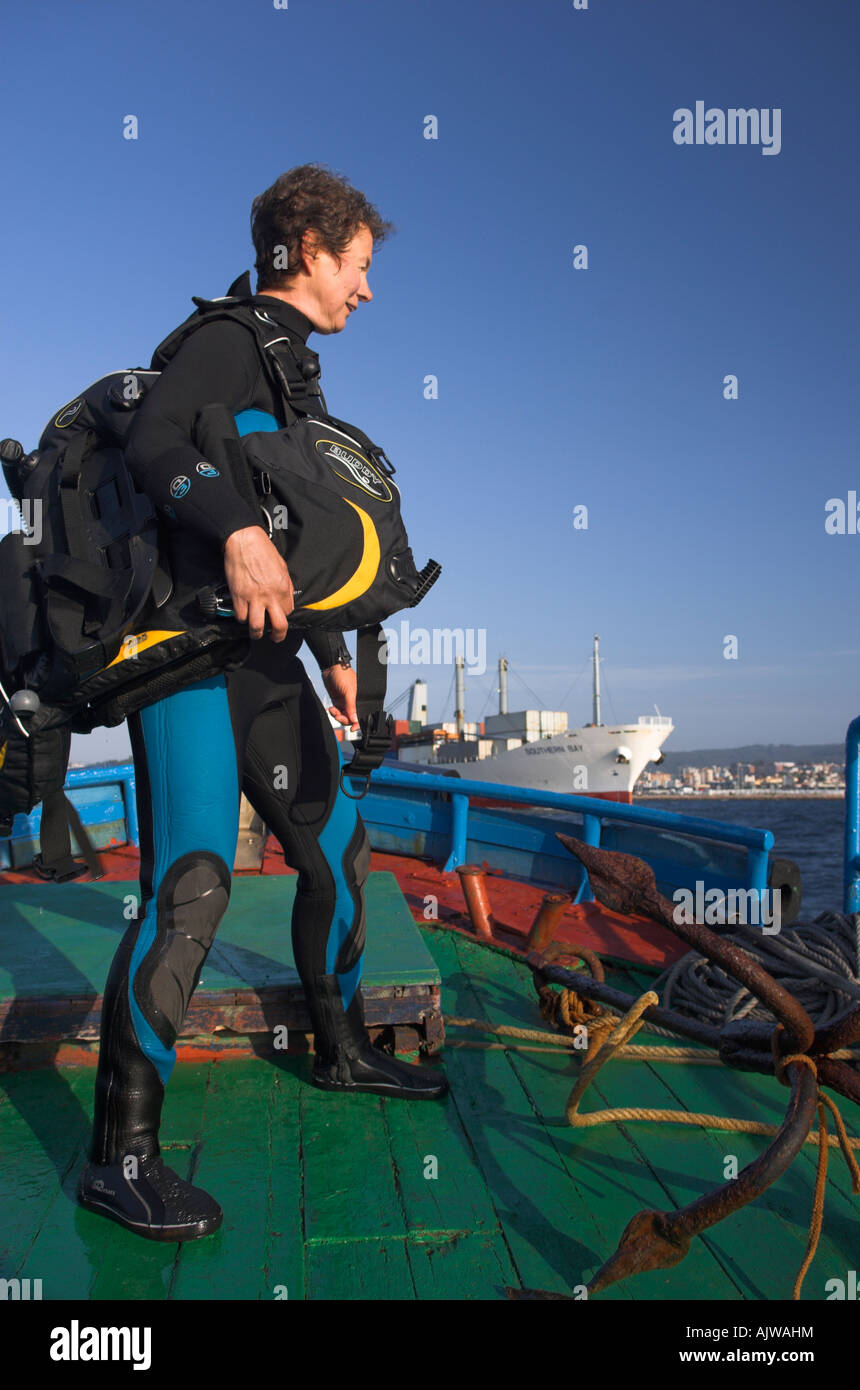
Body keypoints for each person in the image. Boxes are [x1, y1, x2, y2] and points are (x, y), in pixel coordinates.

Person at [77, 164, 448, 1244]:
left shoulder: (292, 376)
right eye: (361, 266)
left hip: (264, 656)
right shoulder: (225, 340)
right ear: (309, 247)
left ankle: (341, 1048)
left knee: (338, 845)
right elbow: (155, 446)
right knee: (191, 883)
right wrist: (233, 532)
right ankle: (123, 1156)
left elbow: (294, 527)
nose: (368, 291)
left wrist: (332, 647)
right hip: (183, 649)